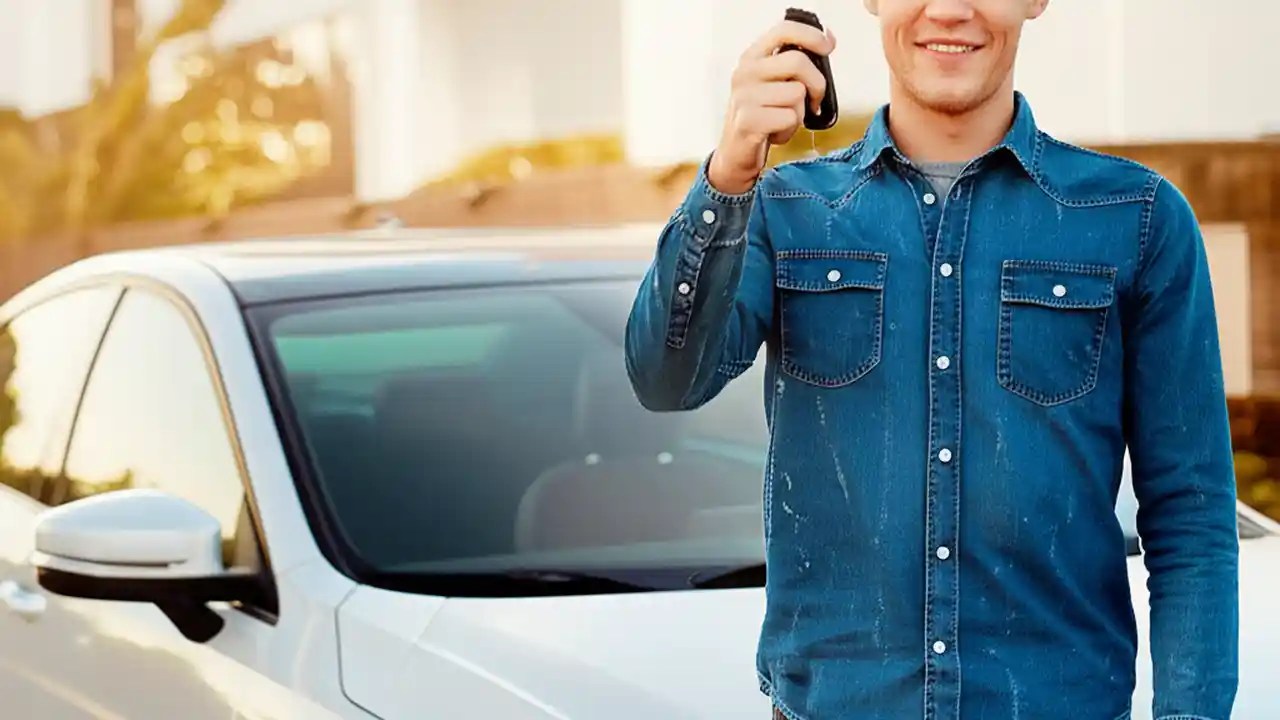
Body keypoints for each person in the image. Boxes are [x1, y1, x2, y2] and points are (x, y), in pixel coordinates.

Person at [623, 1, 1240, 719]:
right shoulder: (782, 208)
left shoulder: (1137, 218)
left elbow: (1192, 514)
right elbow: (667, 380)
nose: (949, 8)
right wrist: (729, 173)